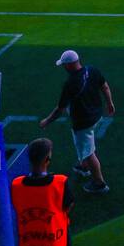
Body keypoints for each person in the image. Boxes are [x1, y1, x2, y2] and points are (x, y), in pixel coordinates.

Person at [40, 50, 115, 195]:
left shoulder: (70, 83)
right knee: (87, 145)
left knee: (89, 153)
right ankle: (83, 166)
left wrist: (46, 121)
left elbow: (60, 109)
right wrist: (110, 103)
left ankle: (99, 183)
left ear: (68, 65)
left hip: (83, 122)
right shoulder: (92, 70)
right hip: (97, 115)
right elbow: (104, 86)